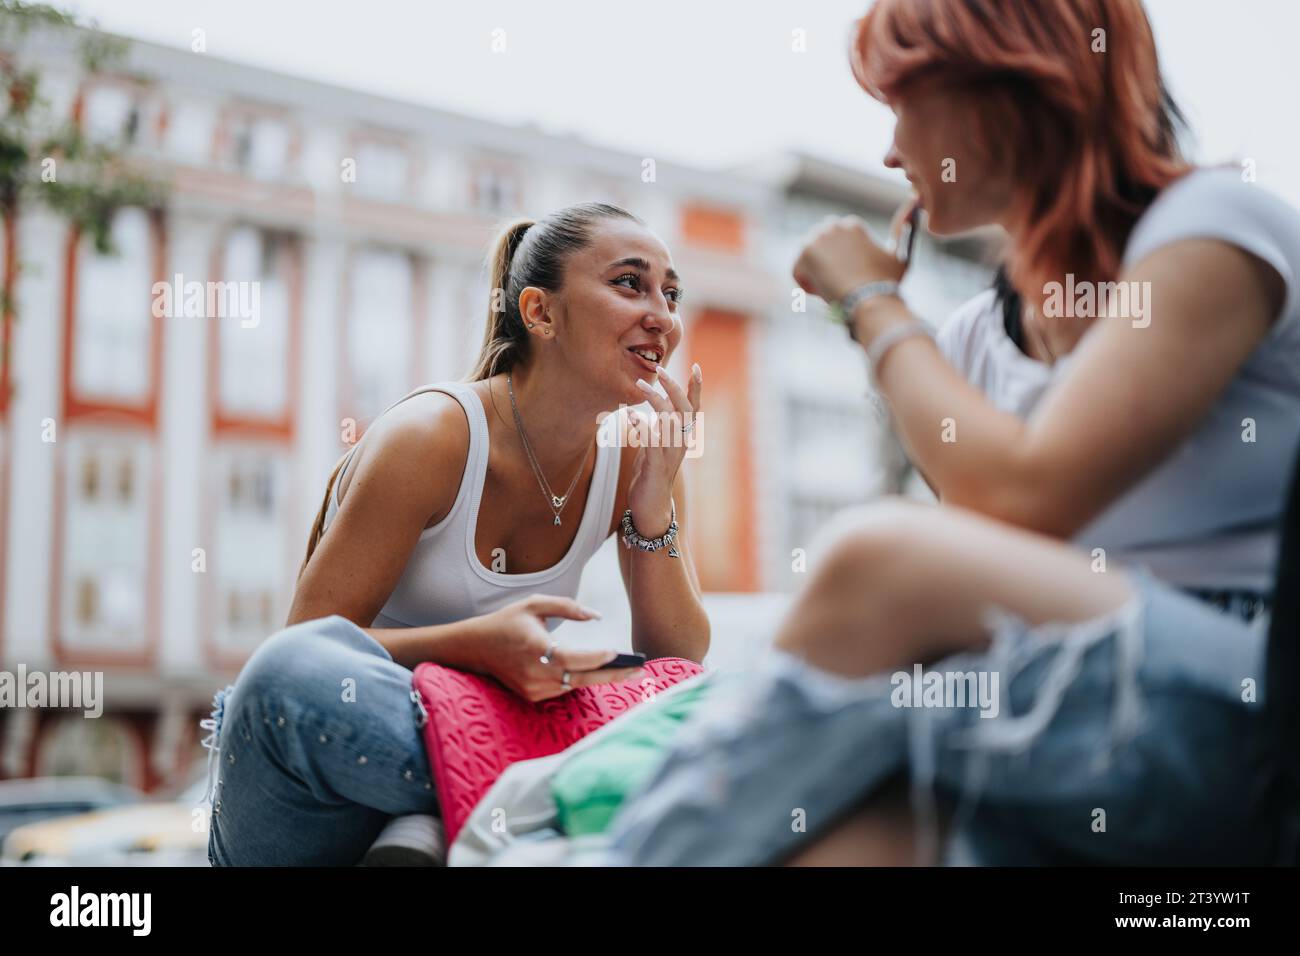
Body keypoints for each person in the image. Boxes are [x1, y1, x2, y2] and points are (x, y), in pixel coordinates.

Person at [601, 0, 1300, 866]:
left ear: (999, 81)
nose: (891, 151)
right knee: (847, 840)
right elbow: (980, 553)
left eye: (900, 106)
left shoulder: (1216, 225)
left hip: (1240, 695)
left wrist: (869, 303)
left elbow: (1021, 499)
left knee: (874, 557)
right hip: (1048, 696)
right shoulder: (969, 339)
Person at [202, 201, 709, 866]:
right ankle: (514, 804)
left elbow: (677, 658)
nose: (662, 316)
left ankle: (434, 827)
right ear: (540, 313)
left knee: (705, 700)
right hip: (330, 778)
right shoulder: (433, 438)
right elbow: (310, 652)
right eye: (629, 284)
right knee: (285, 677)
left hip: (474, 751)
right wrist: (473, 648)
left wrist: (652, 510)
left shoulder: (644, 459)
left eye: (670, 293)